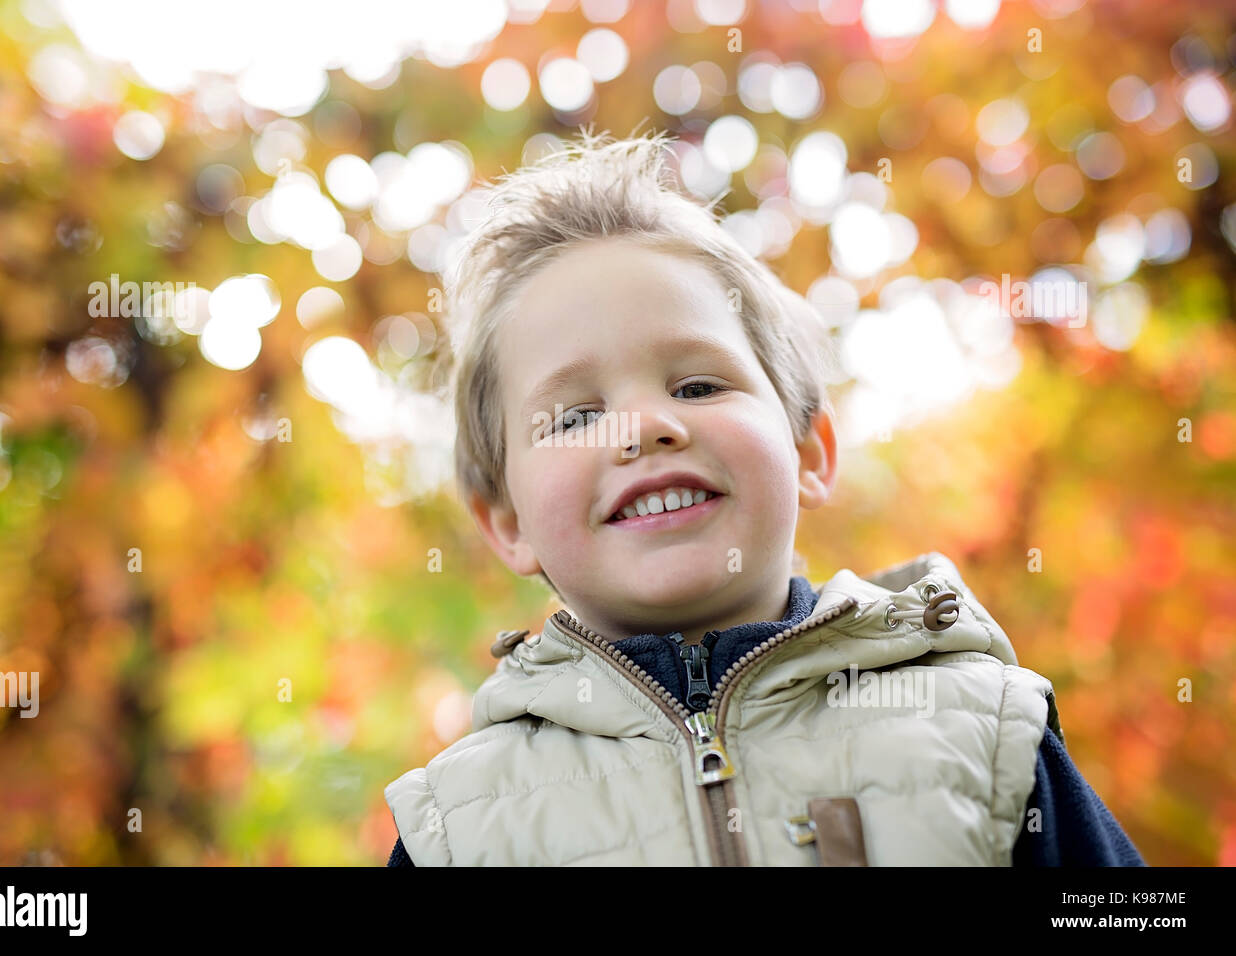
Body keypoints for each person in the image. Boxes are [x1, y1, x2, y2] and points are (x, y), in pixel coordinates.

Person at [382, 129, 1145, 866]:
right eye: (578, 417)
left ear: (809, 452)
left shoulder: (983, 731)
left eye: (699, 385)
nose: (646, 426)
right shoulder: (460, 827)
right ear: (509, 523)